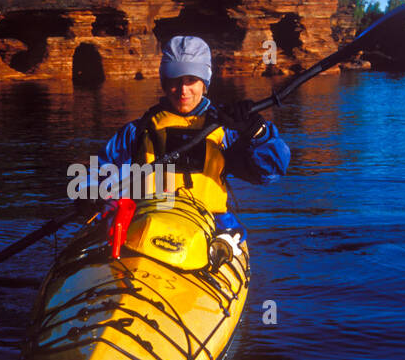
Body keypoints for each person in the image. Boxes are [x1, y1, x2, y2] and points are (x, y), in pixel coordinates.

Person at [93, 35, 290, 246]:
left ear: (204, 83)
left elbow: (271, 172)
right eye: (175, 81)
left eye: (191, 80)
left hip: (212, 227)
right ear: (164, 82)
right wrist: (92, 194)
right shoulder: (137, 131)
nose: (183, 90)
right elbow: (101, 172)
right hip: (148, 224)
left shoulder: (225, 130)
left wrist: (255, 132)